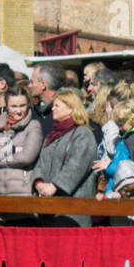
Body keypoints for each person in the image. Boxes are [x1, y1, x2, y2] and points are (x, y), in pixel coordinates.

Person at [29, 89, 98, 225]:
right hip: (49, 207)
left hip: (73, 209)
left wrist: (55, 186)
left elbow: (76, 166)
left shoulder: (83, 134)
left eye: (57, 105)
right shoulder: (52, 136)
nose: (52, 109)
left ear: (71, 108)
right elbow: (41, 163)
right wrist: (39, 184)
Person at [0, 87, 44, 204]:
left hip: (22, 194)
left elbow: (27, 156)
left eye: (22, 105)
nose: (18, 111)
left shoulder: (33, 126)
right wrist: (13, 150)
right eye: (14, 106)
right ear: (6, 106)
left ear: (28, 104)